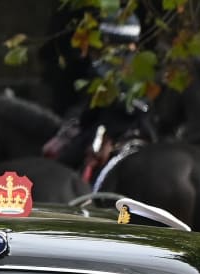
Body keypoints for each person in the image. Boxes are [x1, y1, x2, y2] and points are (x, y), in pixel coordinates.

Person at [50, 14, 157, 171]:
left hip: (109, 131)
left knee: (63, 165)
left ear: (107, 41)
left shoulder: (101, 69)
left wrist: (81, 122)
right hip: (146, 131)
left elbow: (91, 111)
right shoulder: (147, 66)